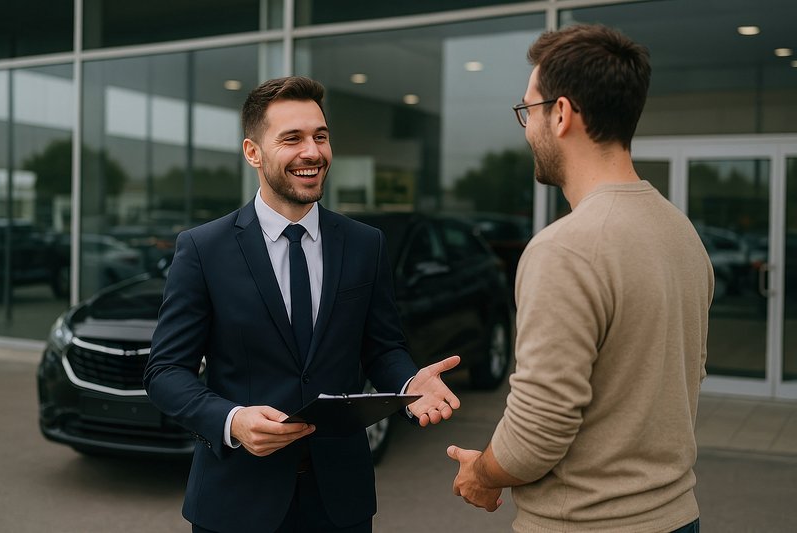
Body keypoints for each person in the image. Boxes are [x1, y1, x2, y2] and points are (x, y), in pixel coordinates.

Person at [144, 76, 461, 533]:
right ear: (253, 152)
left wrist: (410, 383)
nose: (312, 152)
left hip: (340, 502)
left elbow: (382, 349)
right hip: (235, 502)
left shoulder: (365, 243)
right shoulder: (202, 248)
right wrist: (231, 421)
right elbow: (165, 372)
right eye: (292, 138)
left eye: (321, 136)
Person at [446, 24, 713, 533]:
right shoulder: (682, 234)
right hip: (677, 517)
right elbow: (682, 379)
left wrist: (482, 474)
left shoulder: (563, 249)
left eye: (528, 110)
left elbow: (538, 430)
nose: (525, 128)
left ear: (562, 114)